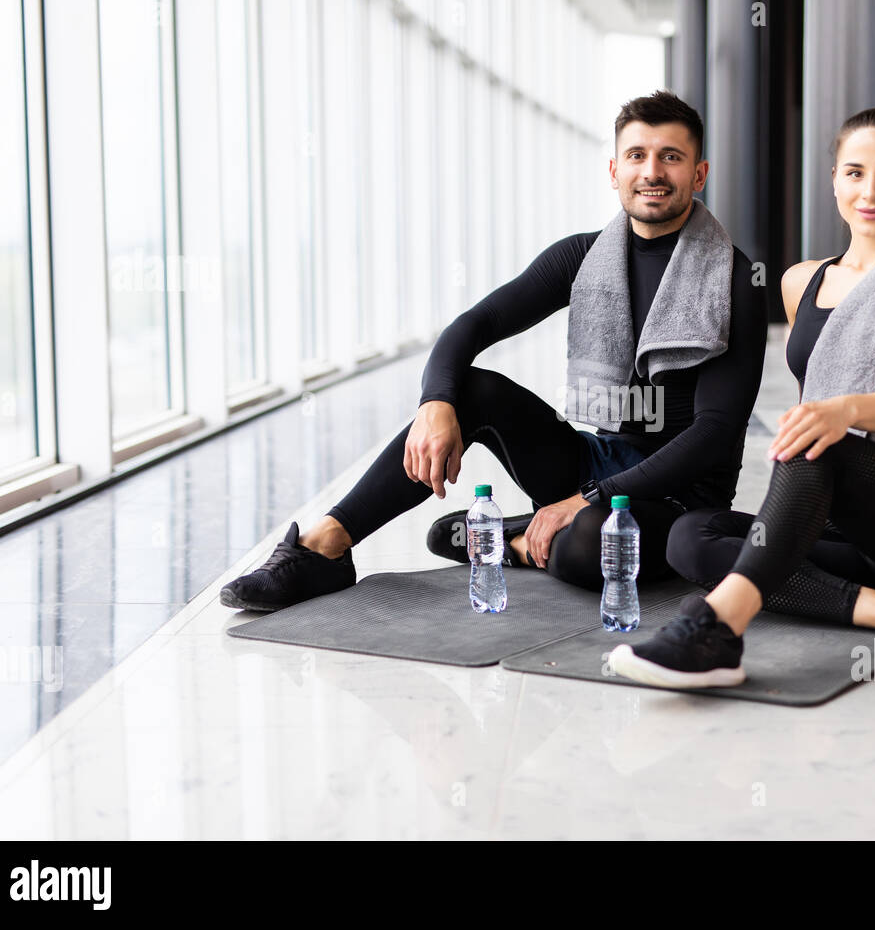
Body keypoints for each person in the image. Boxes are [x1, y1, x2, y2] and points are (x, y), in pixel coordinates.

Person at [220, 90, 768, 612]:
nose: (652, 171)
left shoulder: (734, 280)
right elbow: (474, 324)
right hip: (595, 460)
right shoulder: (584, 258)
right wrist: (435, 403)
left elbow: (714, 432)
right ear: (614, 171)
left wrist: (589, 498)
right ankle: (326, 545)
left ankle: (513, 541)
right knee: (472, 389)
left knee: (590, 548)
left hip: (678, 495)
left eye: (670, 157)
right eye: (637, 155)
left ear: (698, 174)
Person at [609, 107, 875, 689]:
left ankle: (717, 631)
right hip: (841, 521)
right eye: (855, 172)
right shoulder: (799, 282)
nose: (871, 190)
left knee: (819, 443)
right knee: (689, 536)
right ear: (835, 180)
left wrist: (846, 411)